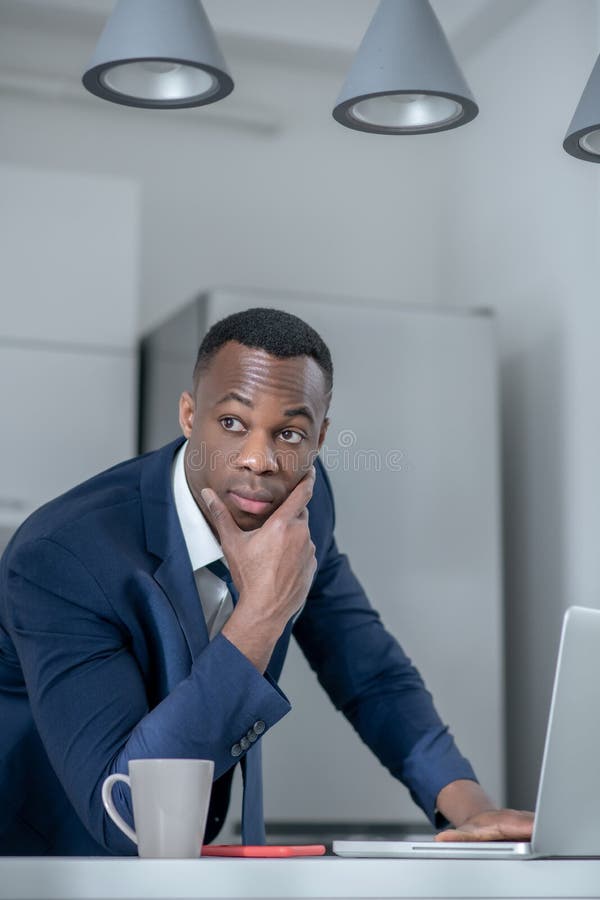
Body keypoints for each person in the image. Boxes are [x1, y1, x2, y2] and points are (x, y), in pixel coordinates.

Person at [0, 307, 533, 855]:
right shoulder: (61, 556)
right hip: (44, 861)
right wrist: (261, 617)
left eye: (290, 432)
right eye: (232, 423)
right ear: (189, 416)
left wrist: (475, 811)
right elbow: (128, 814)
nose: (261, 460)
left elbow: (368, 671)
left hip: (184, 862)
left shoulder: (301, 502)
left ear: (320, 438)